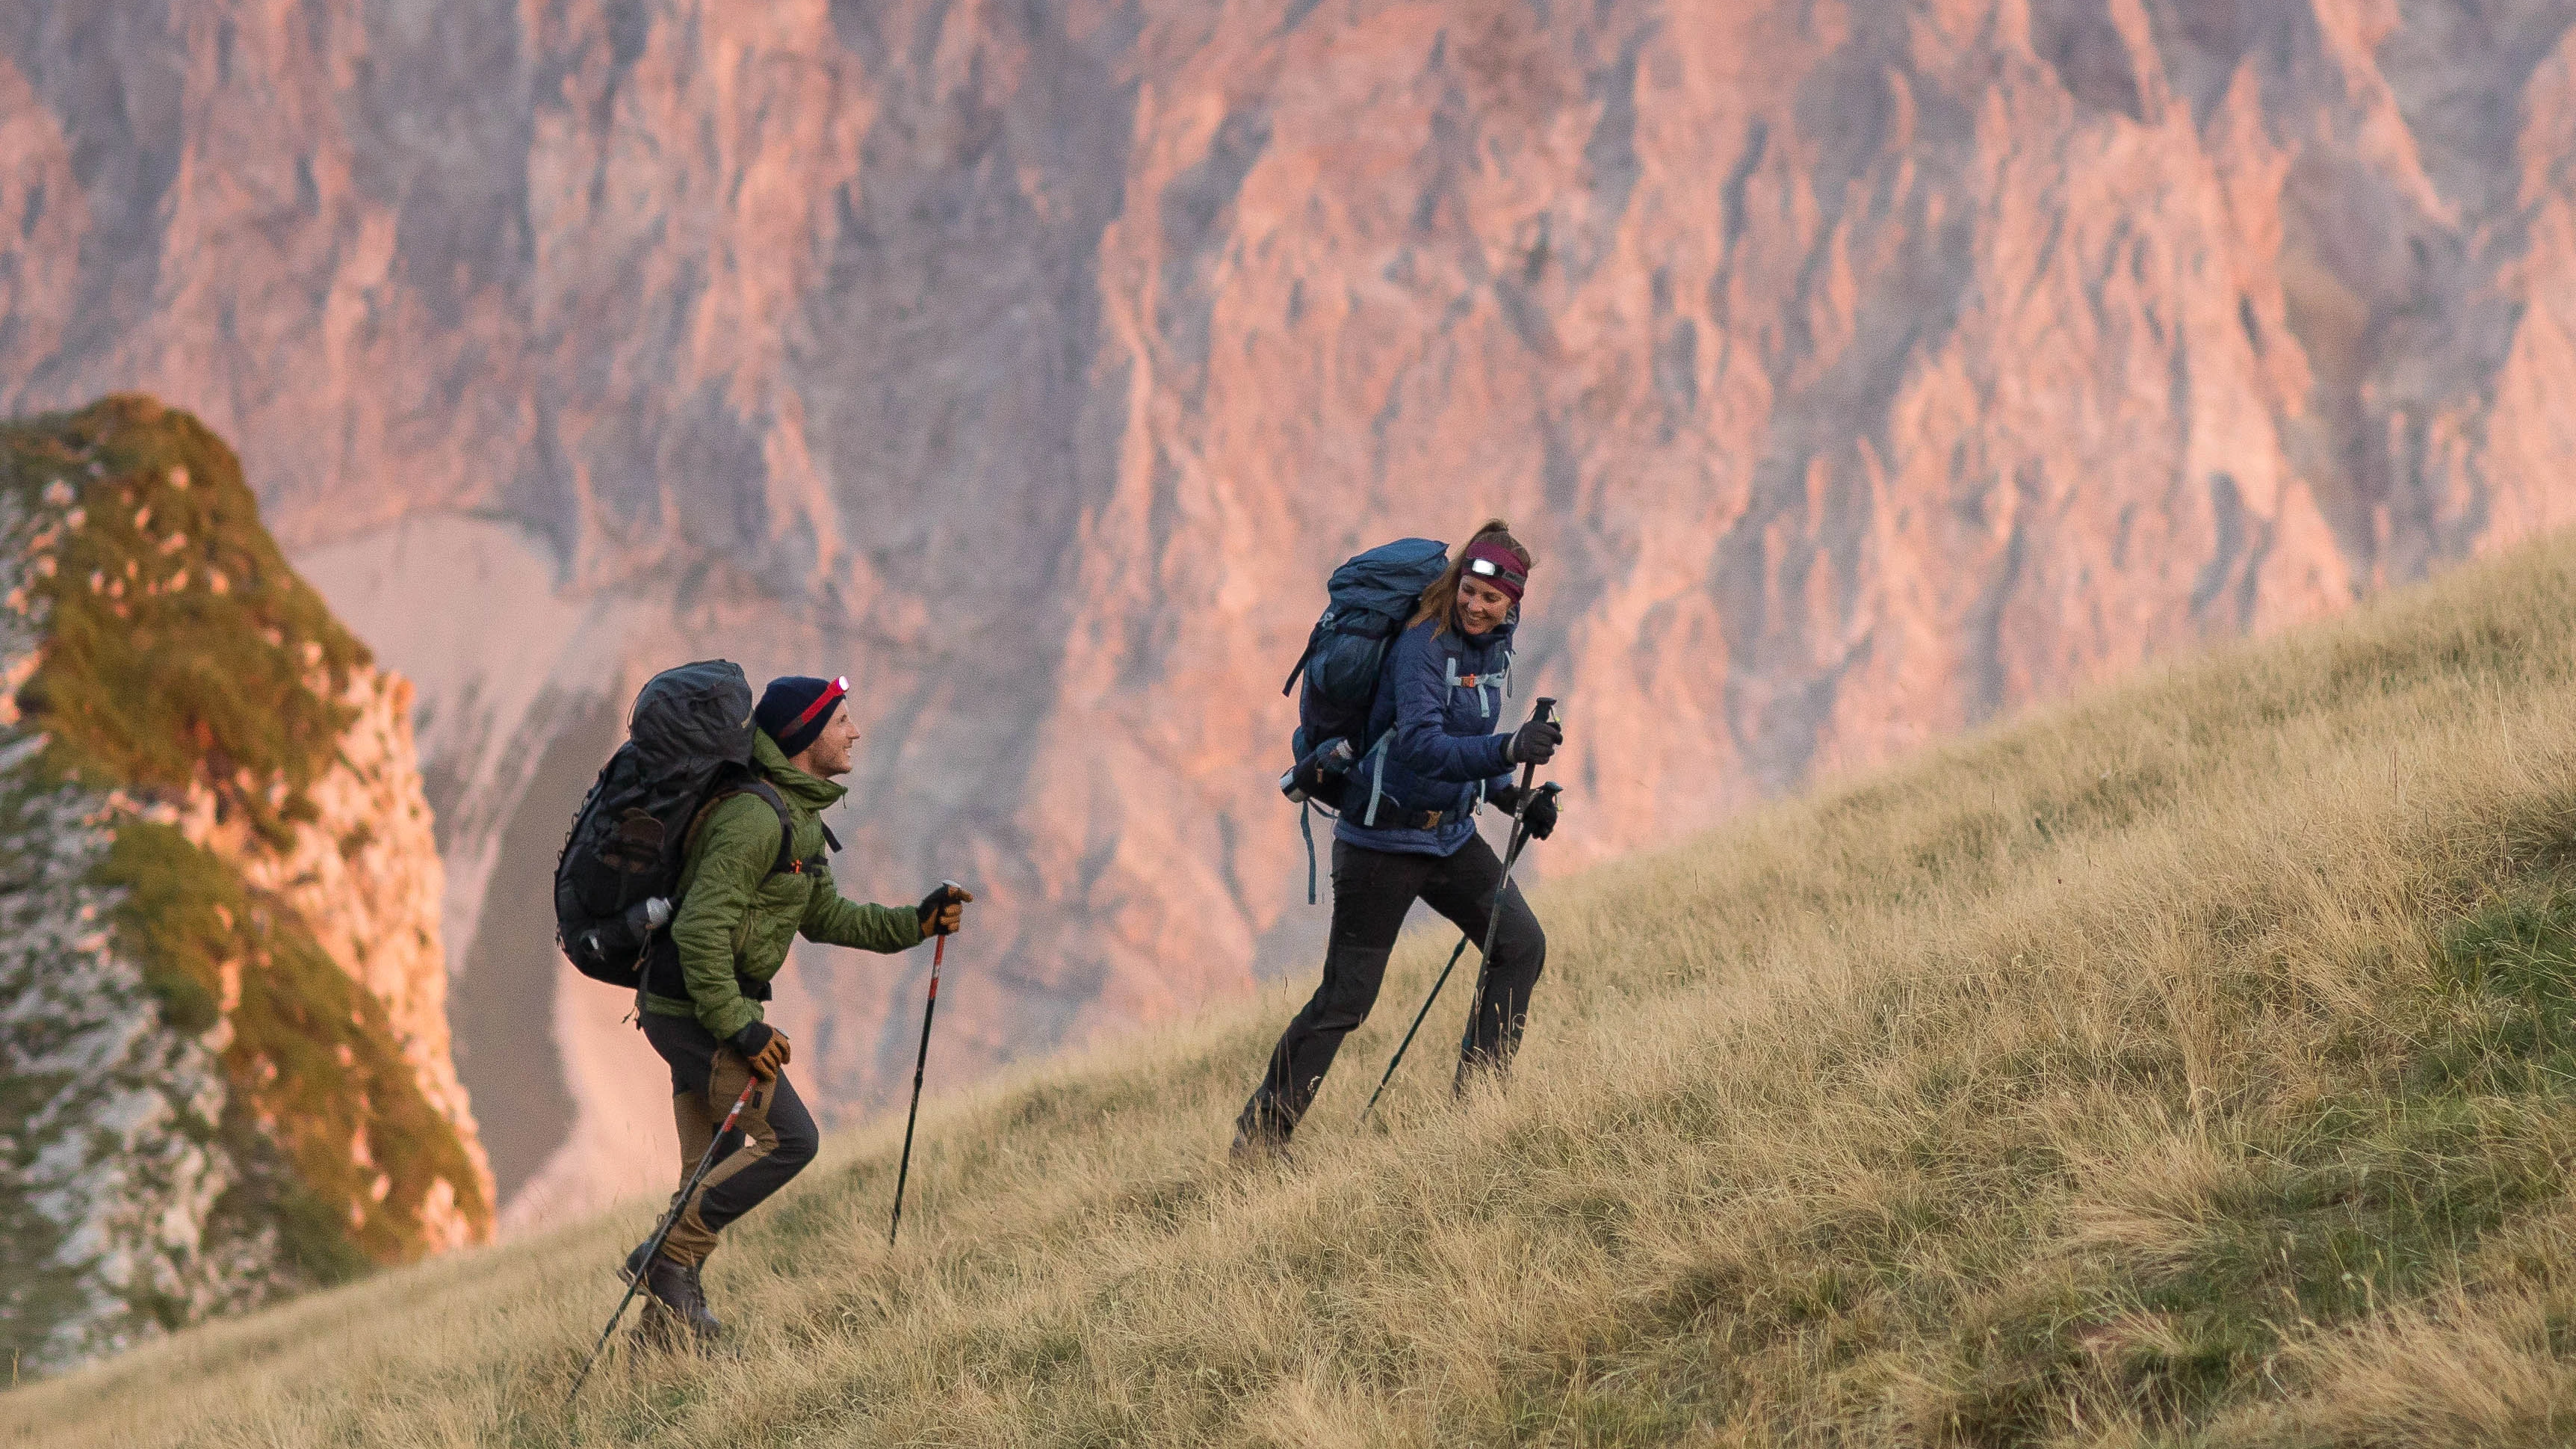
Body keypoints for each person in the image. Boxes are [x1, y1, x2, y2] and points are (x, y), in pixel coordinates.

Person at [623, 673, 973, 1340]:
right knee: (791, 1140)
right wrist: (742, 1028)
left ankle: (659, 1340)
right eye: (842, 719)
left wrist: (918, 922)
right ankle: (665, 1258)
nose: (855, 731)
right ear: (807, 734)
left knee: (707, 1167)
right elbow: (698, 929)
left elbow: (828, 915)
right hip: (693, 1007)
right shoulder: (757, 819)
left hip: (697, 1003)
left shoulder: (797, 819)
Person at [1235, 520, 1561, 1158]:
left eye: (1491, 599)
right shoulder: (1421, 643)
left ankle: (1478, 1116)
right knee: (1347, 999)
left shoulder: (1494, 649)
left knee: (1520, 946)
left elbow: (1465, 734)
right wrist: (1509, 747)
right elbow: (1418, 743)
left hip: (1449, 840)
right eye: (1469, 589)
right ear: (1457, 581)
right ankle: (1260, 1139)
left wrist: (1513, 795)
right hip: (1378, 846)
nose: (1475, 604)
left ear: (1513, 604)